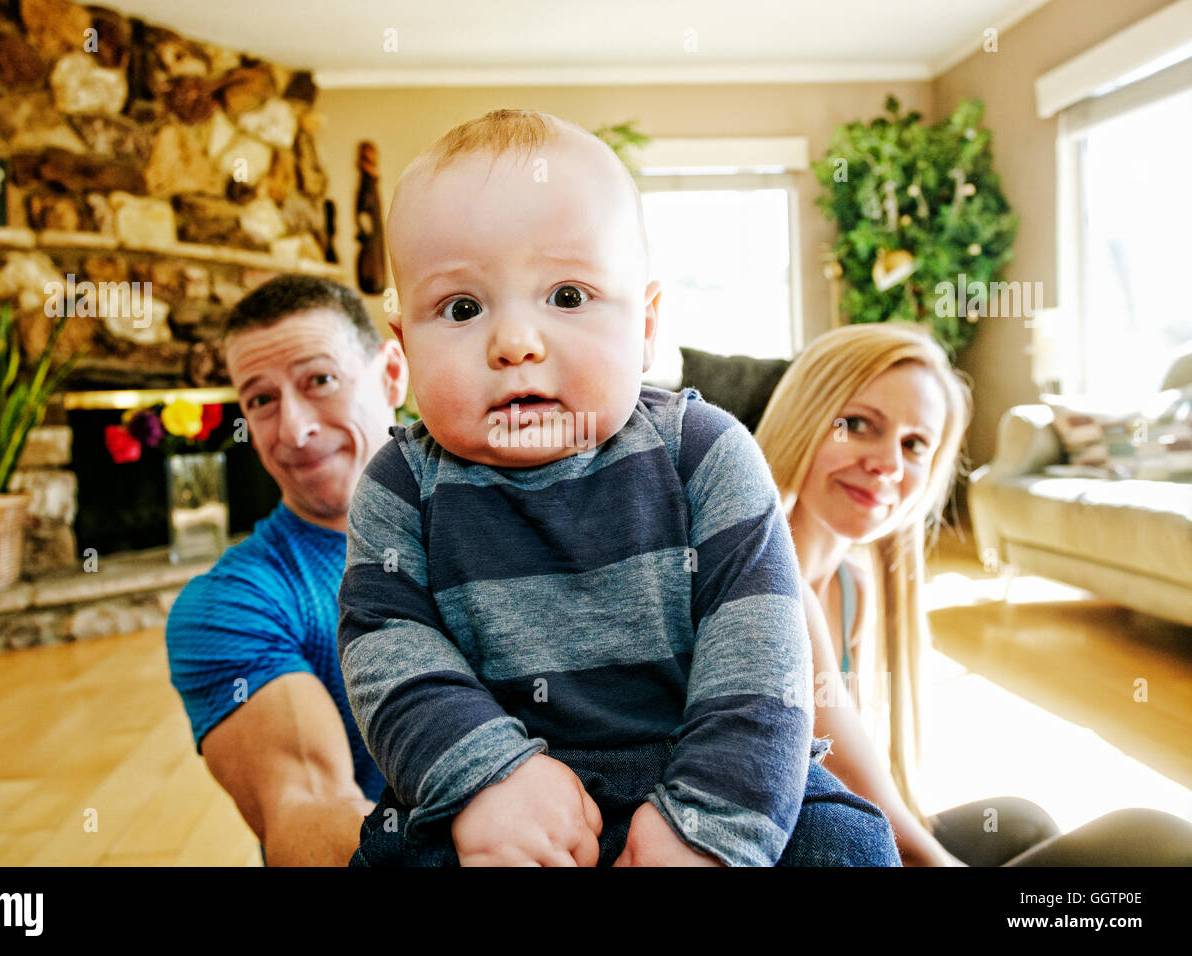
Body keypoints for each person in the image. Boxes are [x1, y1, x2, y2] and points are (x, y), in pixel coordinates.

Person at [337, 108, 900, 867]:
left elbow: (761, 654)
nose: (515, 343)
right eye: (462, 309)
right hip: (495, 787)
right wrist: (483, 779)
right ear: (404, 347)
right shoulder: (400, 485)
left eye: (567, 297)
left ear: (645, 327)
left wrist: (710, 826)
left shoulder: (704, 454)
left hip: (707, 762)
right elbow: (387, 651)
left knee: (847, 844)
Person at [755, 322, 1192, 866]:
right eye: (860, 425)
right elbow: (868, 808)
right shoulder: (764, 584)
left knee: (1021, 821)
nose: (888, 464)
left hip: (844, 835)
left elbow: (866, 797)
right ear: (806, 417)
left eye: (914, 444)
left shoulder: (854, 586)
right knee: (1153, 839)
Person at [165, 275, 409, 866]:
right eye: (261, 400)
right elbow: (306, 804)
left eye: (319, 380)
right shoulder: (229, 606)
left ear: (392, 373)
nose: (294, 430)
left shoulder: (510, 513)